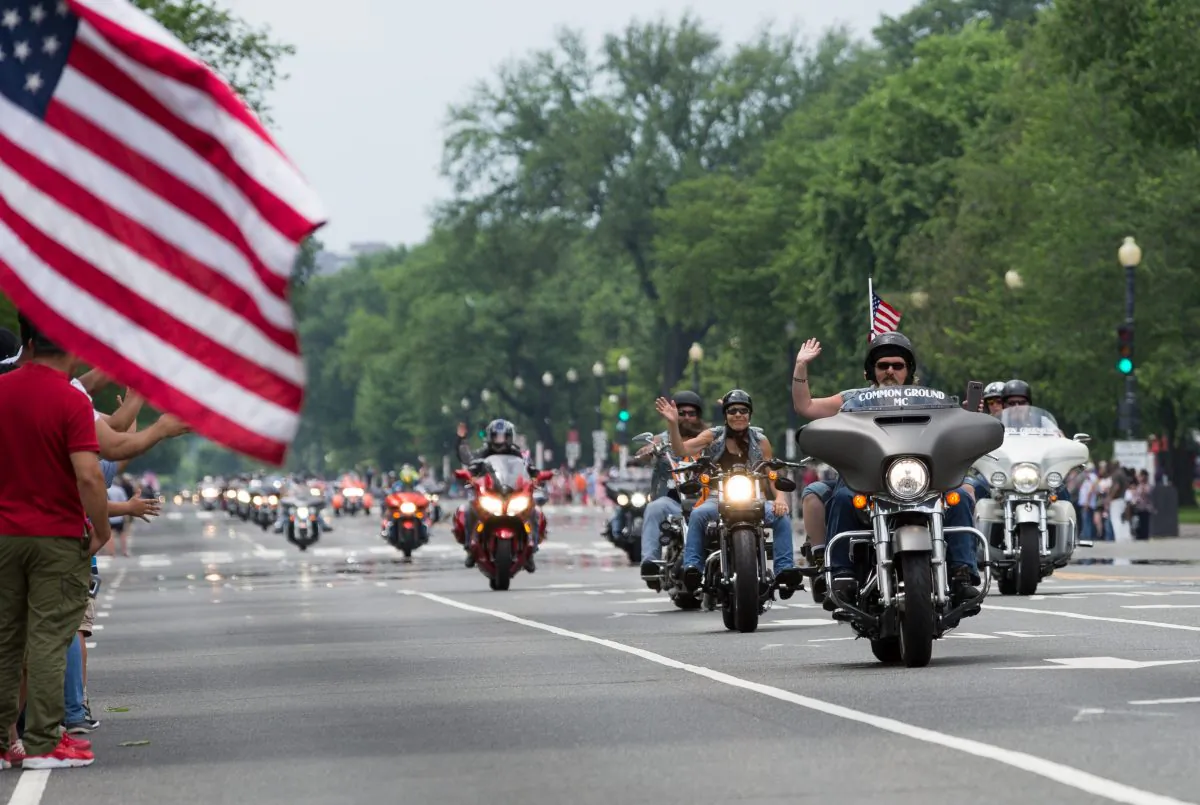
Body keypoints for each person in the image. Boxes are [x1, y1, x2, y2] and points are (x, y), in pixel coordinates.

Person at [790, 332, 980, 605]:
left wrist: (966, 415)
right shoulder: (852, 400)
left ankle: (962, 574)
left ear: (909, 370)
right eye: (883, 365)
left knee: (959, 496)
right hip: (866, 478)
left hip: (921, 478)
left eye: (897, 365)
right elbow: (804, 407)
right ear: (871, 371)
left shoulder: (931, 399)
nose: (890, 371)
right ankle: (841, 575)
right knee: (843, 497)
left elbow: (953, 429)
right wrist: (800, 366)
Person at [0, 315, 110, 769]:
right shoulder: (70, 399)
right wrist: (101, 529)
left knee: (7, 638)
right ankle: (45, 741)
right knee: (46, 637)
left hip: (4, 536)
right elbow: (87, 474)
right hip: (56, 535)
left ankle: (5, 739)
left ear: (26, 342)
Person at [654, 389, 803, 595]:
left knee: (781, 516)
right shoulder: (713, 437)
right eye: (733, 410)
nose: (738, 414)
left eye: (743, 410)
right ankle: (693, 568)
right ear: (725, 415)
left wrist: (780, 497)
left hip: (753, 499)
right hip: (717, 499)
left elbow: (772, 474)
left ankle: (785, 571)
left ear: (750, 414)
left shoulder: (760, 441)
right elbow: (681, 451)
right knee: (697, 514)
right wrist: (672, 423)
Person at [634, 391, 706, 588]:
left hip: (708, 502)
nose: (686, 418)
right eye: (681, 413)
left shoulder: (708, 438)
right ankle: (651, 565)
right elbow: (643, 453)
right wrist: (648, 451)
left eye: (691, 413)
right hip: (675, 503)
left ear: (699, 415)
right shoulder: (662, 439)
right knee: (656, 507)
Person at [455, 419, 540, 572]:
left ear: (509, 437)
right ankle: (469, 547)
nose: (499, 441)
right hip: (489, 493)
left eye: (503, 437)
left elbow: (531, 468)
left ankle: (531, 550)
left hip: (512, 492)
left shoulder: (518, 453)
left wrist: (535, 475)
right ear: (490, 437)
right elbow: (468, 460)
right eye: (496, 437)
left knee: (534, 511)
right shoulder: (483, 452)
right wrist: (461, 441)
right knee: (467, 510)